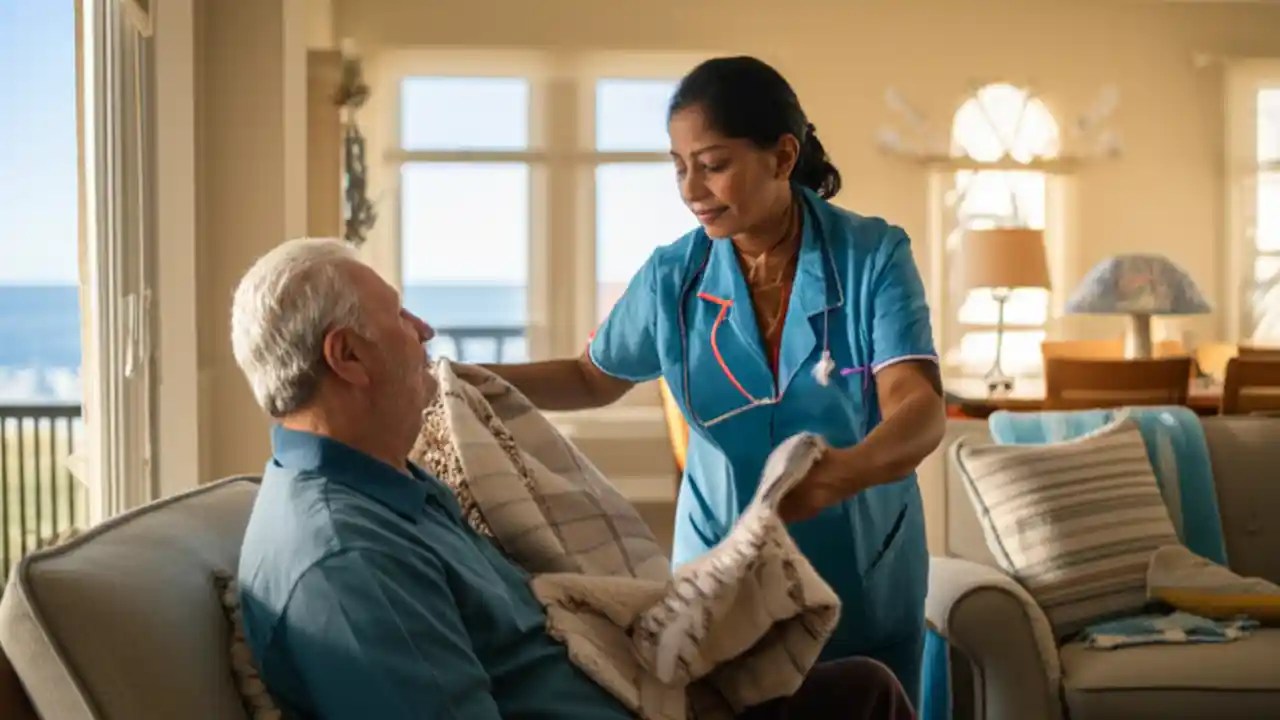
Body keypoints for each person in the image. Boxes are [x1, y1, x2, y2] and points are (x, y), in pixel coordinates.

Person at [229, 237, 917, 719]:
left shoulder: (393, 485)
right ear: (347, 356)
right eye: (402, 318)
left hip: (632, 695)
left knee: (860, 690)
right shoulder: (351, 562)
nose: (426, 329)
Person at [484, 56, 946, 704]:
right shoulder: (673, 276)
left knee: (872, 703)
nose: (691, 188)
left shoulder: (871, 257)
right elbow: (591, 378)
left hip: (860, 573)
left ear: (782, 157)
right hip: (722, 576)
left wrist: (840, 473)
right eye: (679, 166)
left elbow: (916, 405)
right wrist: (466, 378)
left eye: (713, 163)